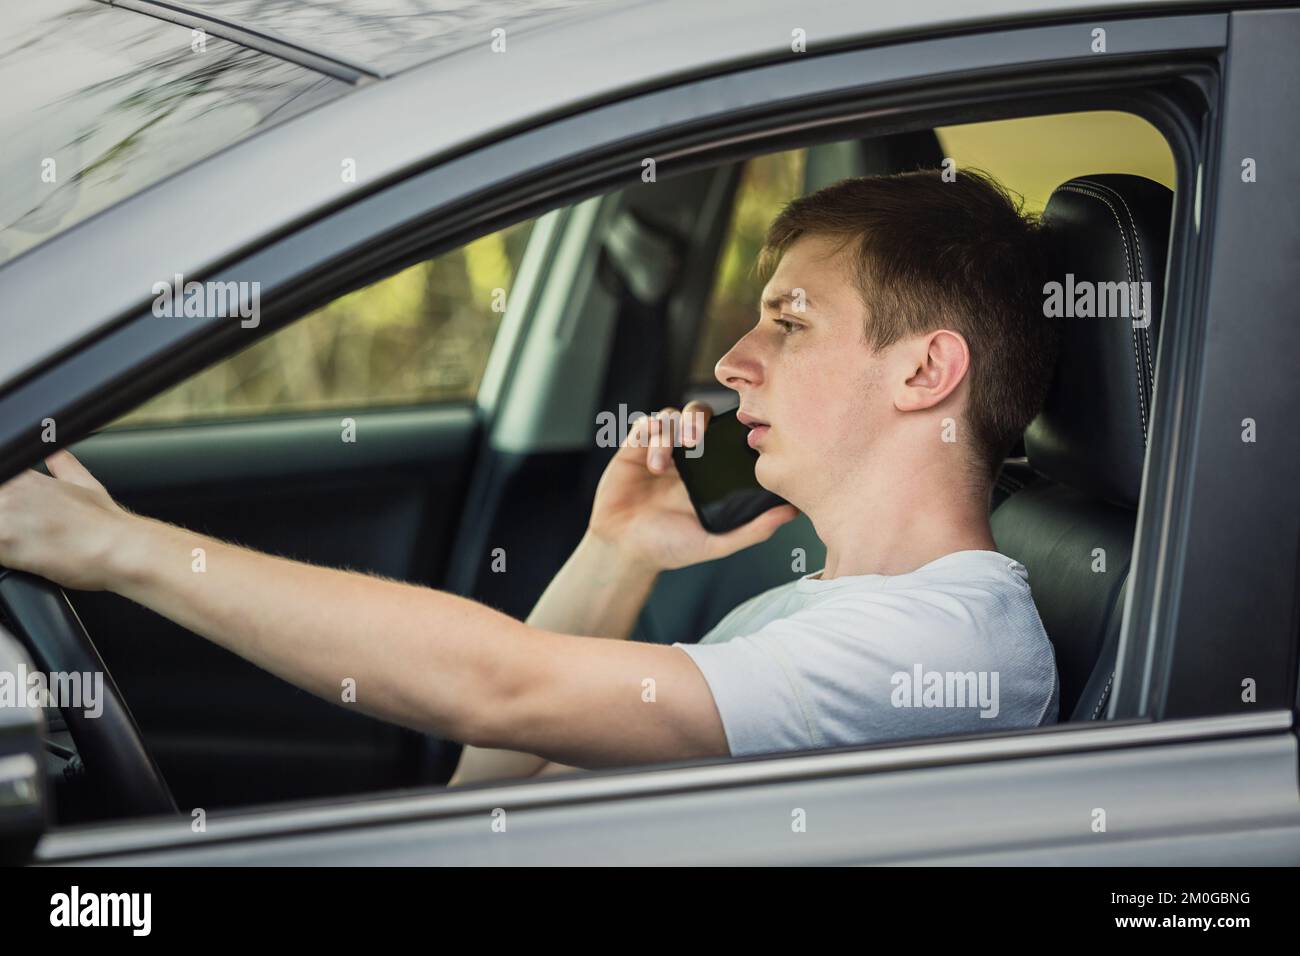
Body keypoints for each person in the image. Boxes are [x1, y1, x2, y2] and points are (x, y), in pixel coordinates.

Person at [0, 169, 1061, 788]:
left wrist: (118, 546)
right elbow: (489, 787)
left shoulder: (933, 646)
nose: (734, 360)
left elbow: (500, 683)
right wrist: (617, 552)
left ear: (925, 369)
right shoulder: (820, 607)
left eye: (788, 322)